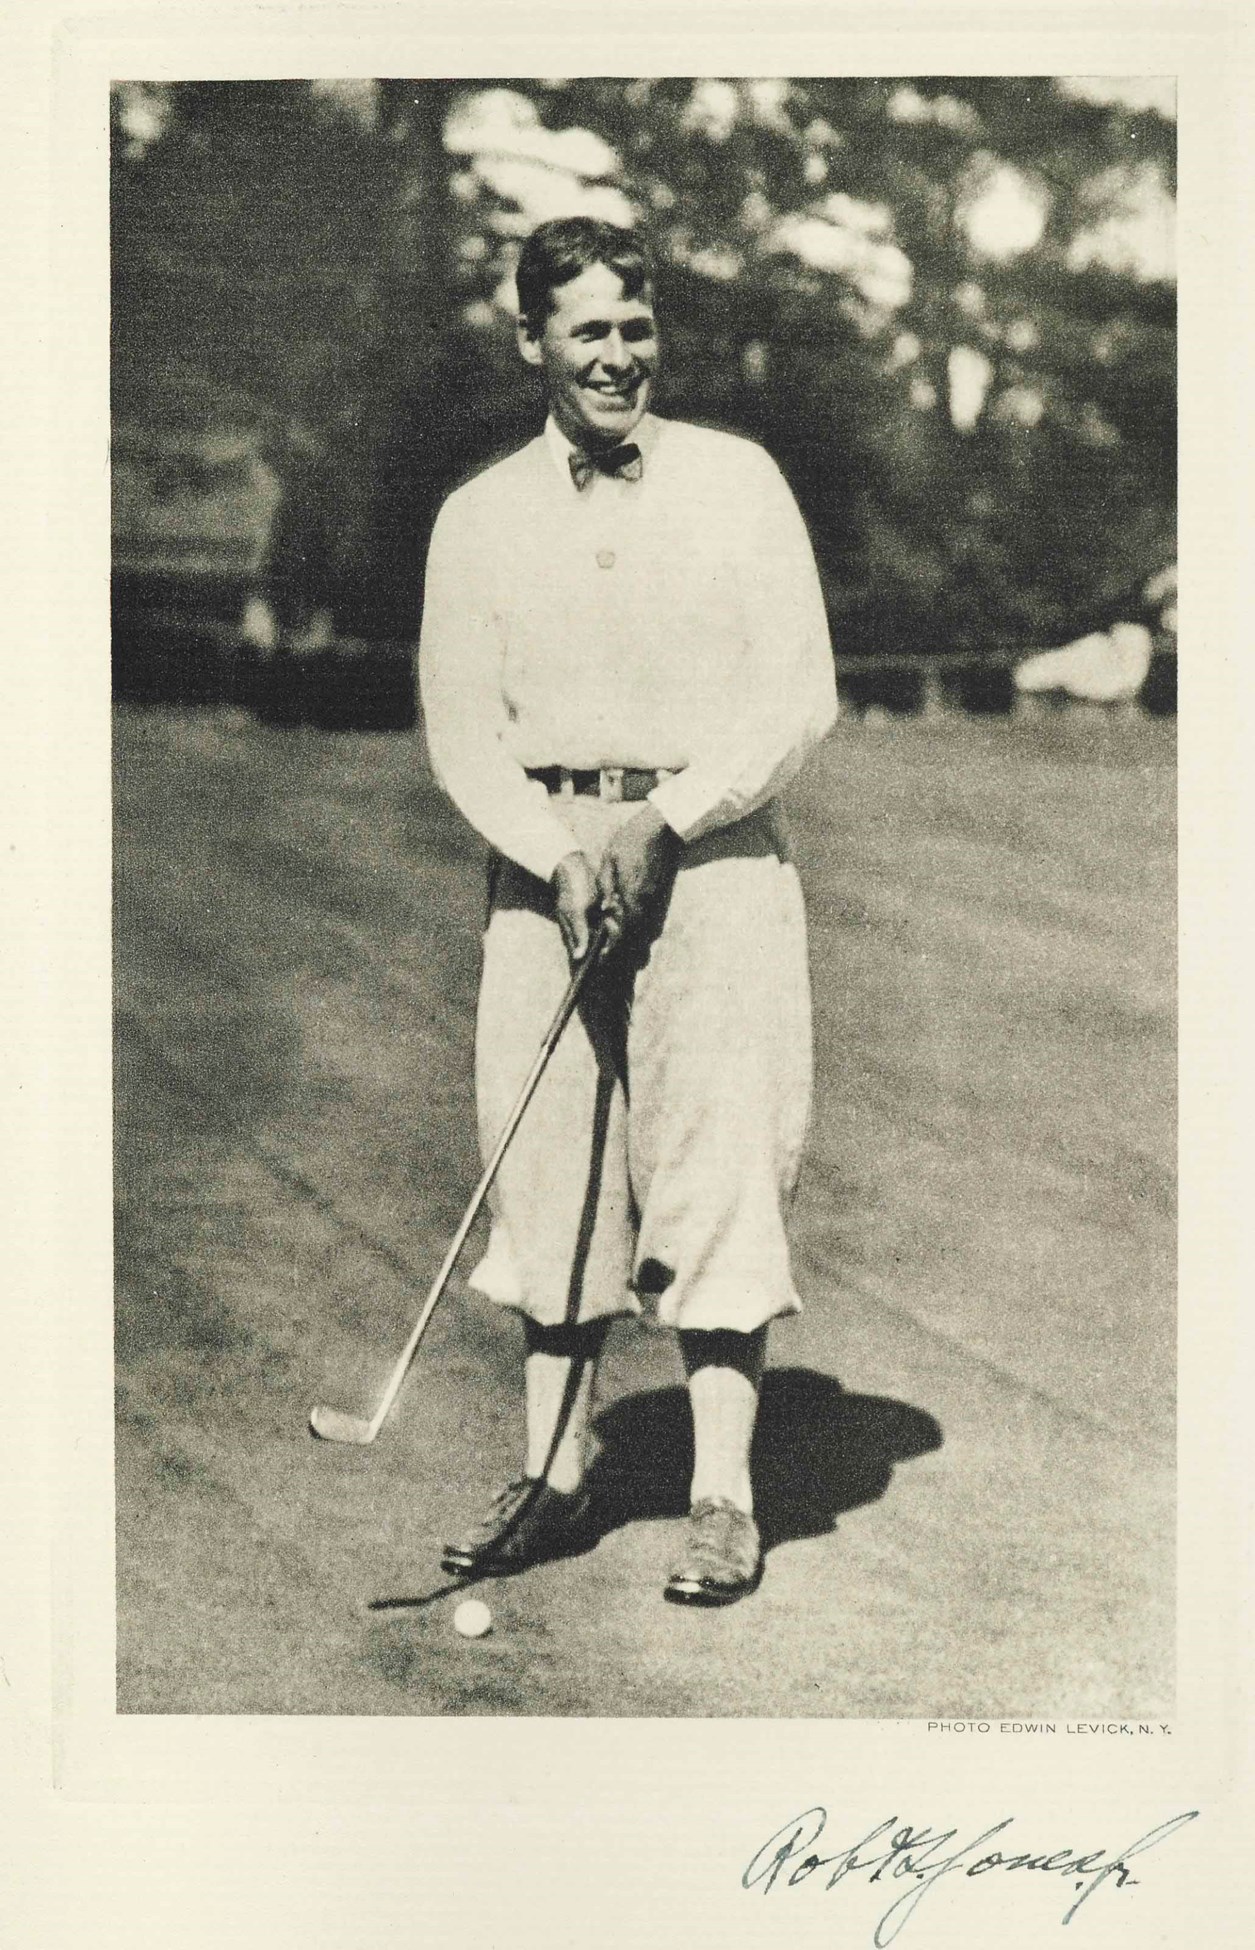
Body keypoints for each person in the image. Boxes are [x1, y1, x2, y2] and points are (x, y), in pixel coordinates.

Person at [418, 215, 836, 1604]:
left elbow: (797, 692)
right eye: (587, 330)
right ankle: (557, 1472)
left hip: (710, 861)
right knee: (549, 1161)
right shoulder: (479, 517)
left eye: (635, 327)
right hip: (545, 869)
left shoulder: (739, 484)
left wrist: (668, 817)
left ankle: (723, 1494)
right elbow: (463, 729)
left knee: (715, 1154)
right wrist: (555, 846)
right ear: (532, 338)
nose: (616, 356)